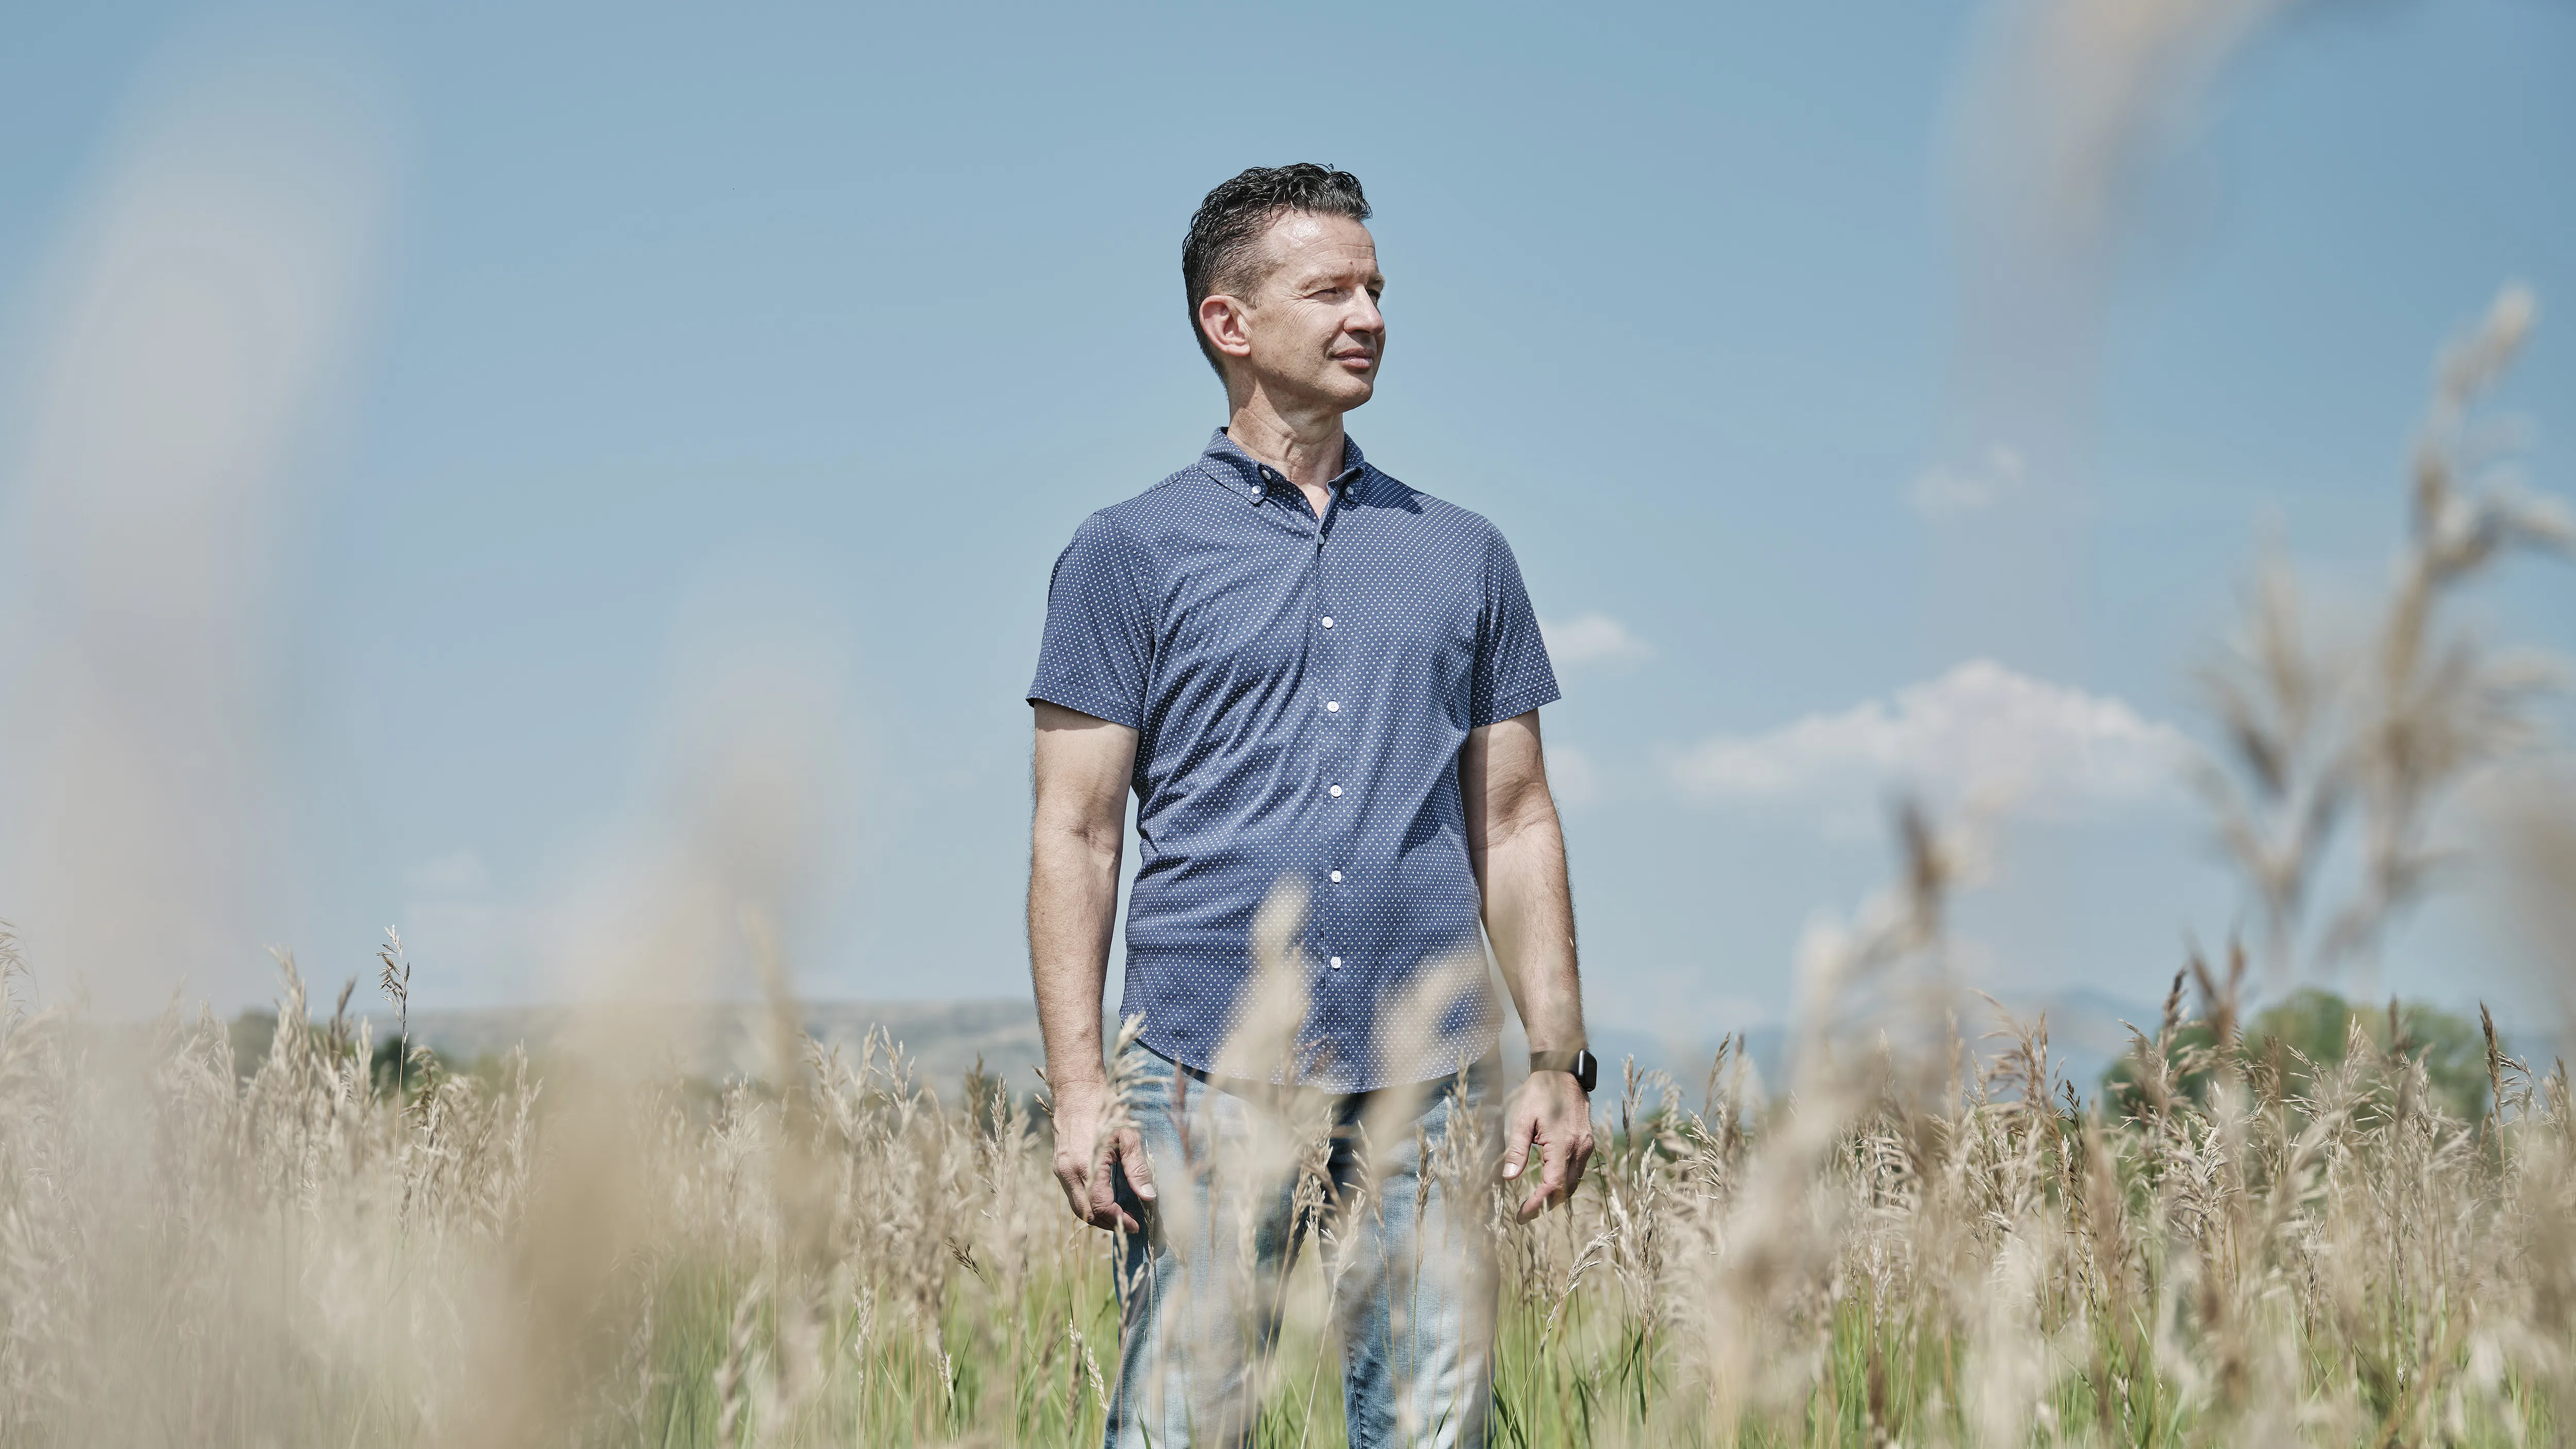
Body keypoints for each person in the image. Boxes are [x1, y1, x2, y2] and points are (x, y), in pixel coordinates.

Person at [1026, 162, 1595, 1449]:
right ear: (1228, 322)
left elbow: (1515, 820)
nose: (1370, 314)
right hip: (1200, 1060)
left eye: (1378, 288)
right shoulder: (1127, 550)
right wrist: (1076, 1086)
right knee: (1185, 1422)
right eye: (1329, 287)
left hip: (1433, 1074)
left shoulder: (1466, 552)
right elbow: (1075, 830)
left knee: (1433, 1427)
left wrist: (1557, 1058)